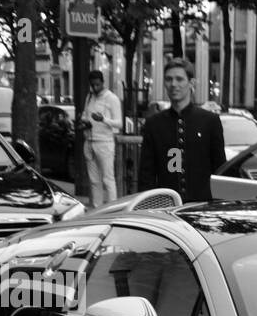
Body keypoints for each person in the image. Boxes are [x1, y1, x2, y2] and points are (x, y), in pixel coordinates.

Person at [137, 59, 225, 203]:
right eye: (169, 79)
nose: (173, 85)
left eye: (179, 79)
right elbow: (146, 174)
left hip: (202, 206)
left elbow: (220, 169)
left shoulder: (209, 121)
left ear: (191, 83)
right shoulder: (154, 124)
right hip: (166, 208)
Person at [80, 70, 122, 207]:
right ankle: (97, 209)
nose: (95, 88)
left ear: (103, 83)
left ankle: (113, 210)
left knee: (108, 179)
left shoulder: (112, 98)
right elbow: (85, 115)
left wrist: (103, 119)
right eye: (93, 85)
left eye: (97, 85)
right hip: (89, 141)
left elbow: (119, 123)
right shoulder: (90, 97)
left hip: (104, 143)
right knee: (94, 180)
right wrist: (85, 122)